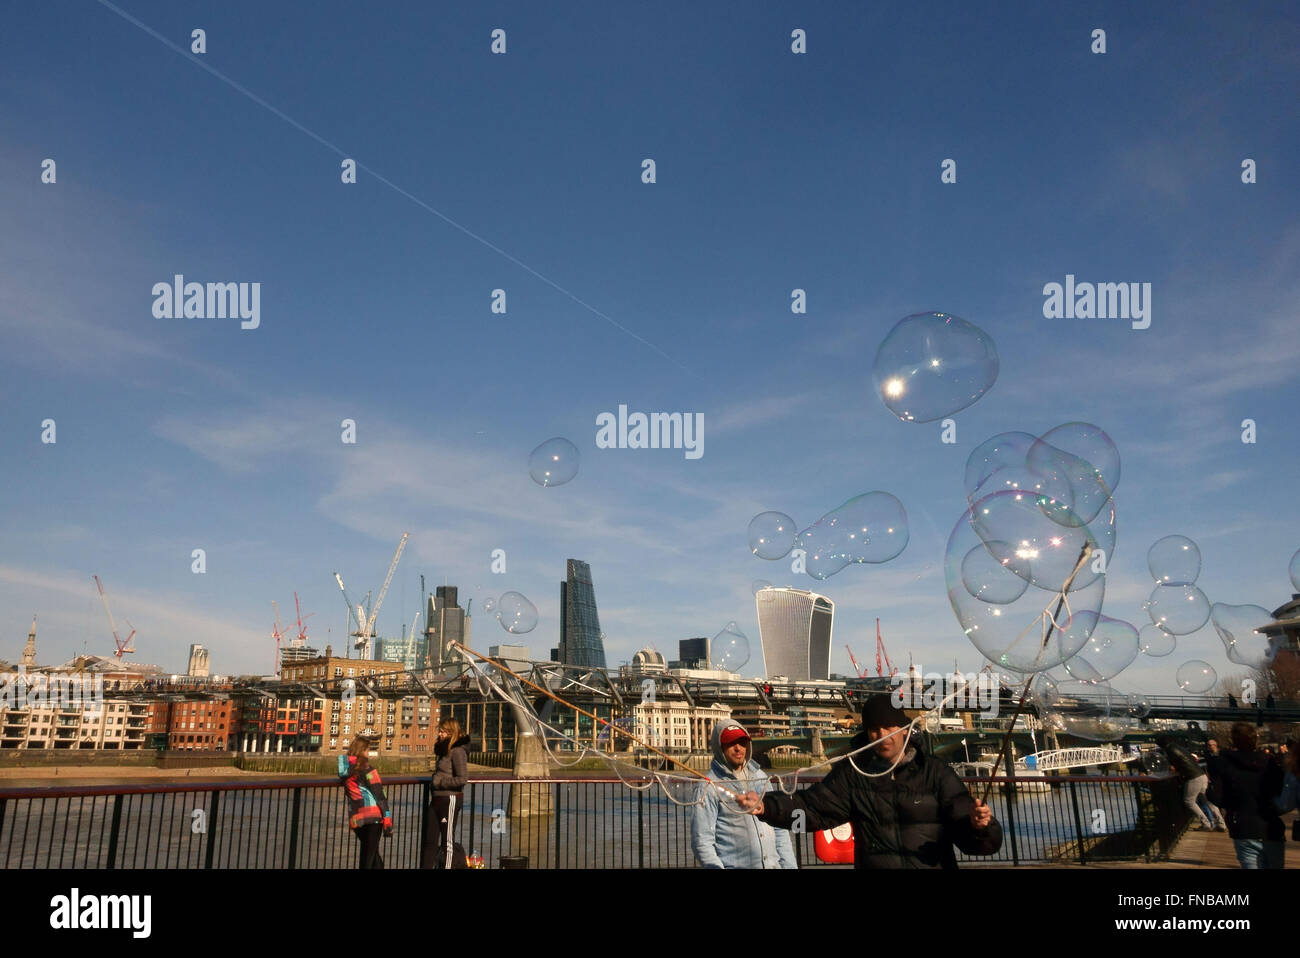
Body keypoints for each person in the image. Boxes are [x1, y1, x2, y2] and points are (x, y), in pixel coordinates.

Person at [737, 695, 1002, 868]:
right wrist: (766, 808)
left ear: (904, 730)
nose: (882, 735)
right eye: (875, 729)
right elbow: (812, 810)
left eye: (889, 727)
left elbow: (975, 842)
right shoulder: (854, 774)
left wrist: (980, 826)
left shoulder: (935, 772)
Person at [690, 720, 798, 869]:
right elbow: (701, 841)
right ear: (719, 747)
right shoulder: (707, 787)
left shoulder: (761, 778)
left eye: (742, 742)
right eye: (730, 743)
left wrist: (789, 866)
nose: (738, 748)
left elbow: (780, 829)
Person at [1207, 722, 1285, 869]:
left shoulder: (1224, 764)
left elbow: (1214, 795)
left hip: (1243, 827)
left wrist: (1231, 806)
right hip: (1271, 827)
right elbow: (1283, 793)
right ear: (1255, 740)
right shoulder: (1269, 763)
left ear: (1233, 740)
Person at [422, 718, 471, 869]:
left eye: (442, 731)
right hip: (436, 799)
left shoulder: (458, 751)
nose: (439, 733)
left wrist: (439, 782)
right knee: (429, 840)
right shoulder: (445, 751)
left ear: (451, 732)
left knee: (447, 841)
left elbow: (463, 779)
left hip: (449, 799)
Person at [338, 736, 392, 869]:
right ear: (362, 751)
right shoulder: (368, 770)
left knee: (371, 855)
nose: (368, 754)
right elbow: (380, 795)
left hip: (357, 818)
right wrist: (387, 819)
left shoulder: (345, 769)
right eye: (367, 750)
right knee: (369, 857)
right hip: (373, 817)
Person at [1157, 735, 1225, 831]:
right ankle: (1221, 824)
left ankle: (1206, 824)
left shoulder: (1169, 750)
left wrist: (1172, 769)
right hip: (1201, 775)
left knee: (1188, 801)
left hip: (1193, 777)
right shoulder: (1179, 747)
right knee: (1208, 801)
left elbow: (1174, 767)